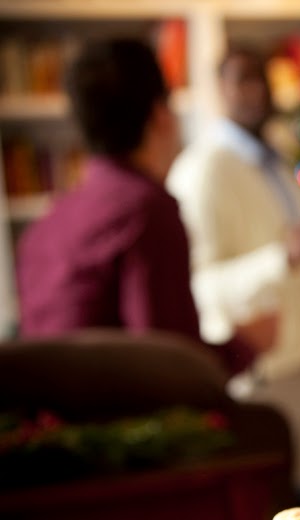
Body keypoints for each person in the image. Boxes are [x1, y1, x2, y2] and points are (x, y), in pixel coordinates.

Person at [166, 47, 300, 504]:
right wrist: (281, 259)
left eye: (262, 78)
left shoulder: (282, 161)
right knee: (283, 516)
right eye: (242, 79)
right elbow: (197, 287)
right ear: (219, 90)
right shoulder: (203, 171)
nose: (256, 91)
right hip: (265, 378)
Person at [15, 38, 274, 374]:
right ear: (161, 115)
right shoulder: (146, 211)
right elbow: (169, 366)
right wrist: (245, 346)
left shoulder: (42, 230)